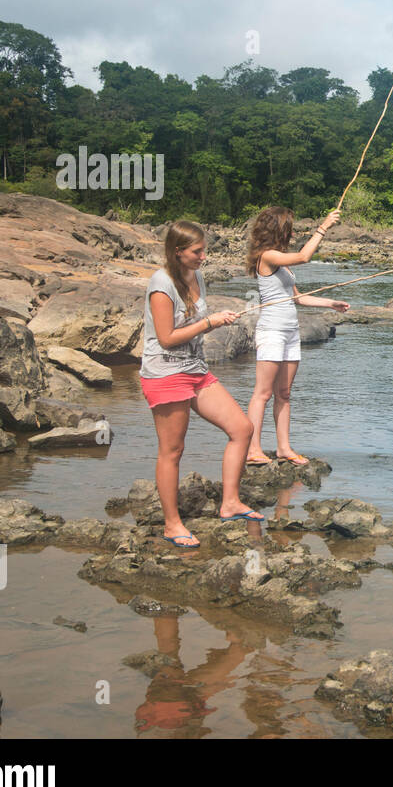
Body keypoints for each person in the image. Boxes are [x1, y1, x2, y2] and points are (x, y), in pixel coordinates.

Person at [141, 220, 263, 548]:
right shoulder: (161, 283)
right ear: (177, 252)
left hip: (195, 369)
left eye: (203, 250)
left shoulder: (197, 277)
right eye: (197, 251)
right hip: (165, 372)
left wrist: (217, 320)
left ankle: (231, 503)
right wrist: (209, 322)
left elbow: (195, 325)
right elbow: (166, 338)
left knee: (242, 428)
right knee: (173, 450)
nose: (203, 256)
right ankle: (172, 524)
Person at [244, 206, 349, 466]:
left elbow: (297, 298)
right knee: (263, 393)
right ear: (279, 230)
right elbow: (304, 257)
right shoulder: (267, 256)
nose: (292, 232)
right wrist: (323, 227)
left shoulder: (281, 264)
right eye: (289, 227)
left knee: (284, 393)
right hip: (272, 333)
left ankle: (284, 448)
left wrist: (330, 303)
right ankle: (252, 449)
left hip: (290, 332)